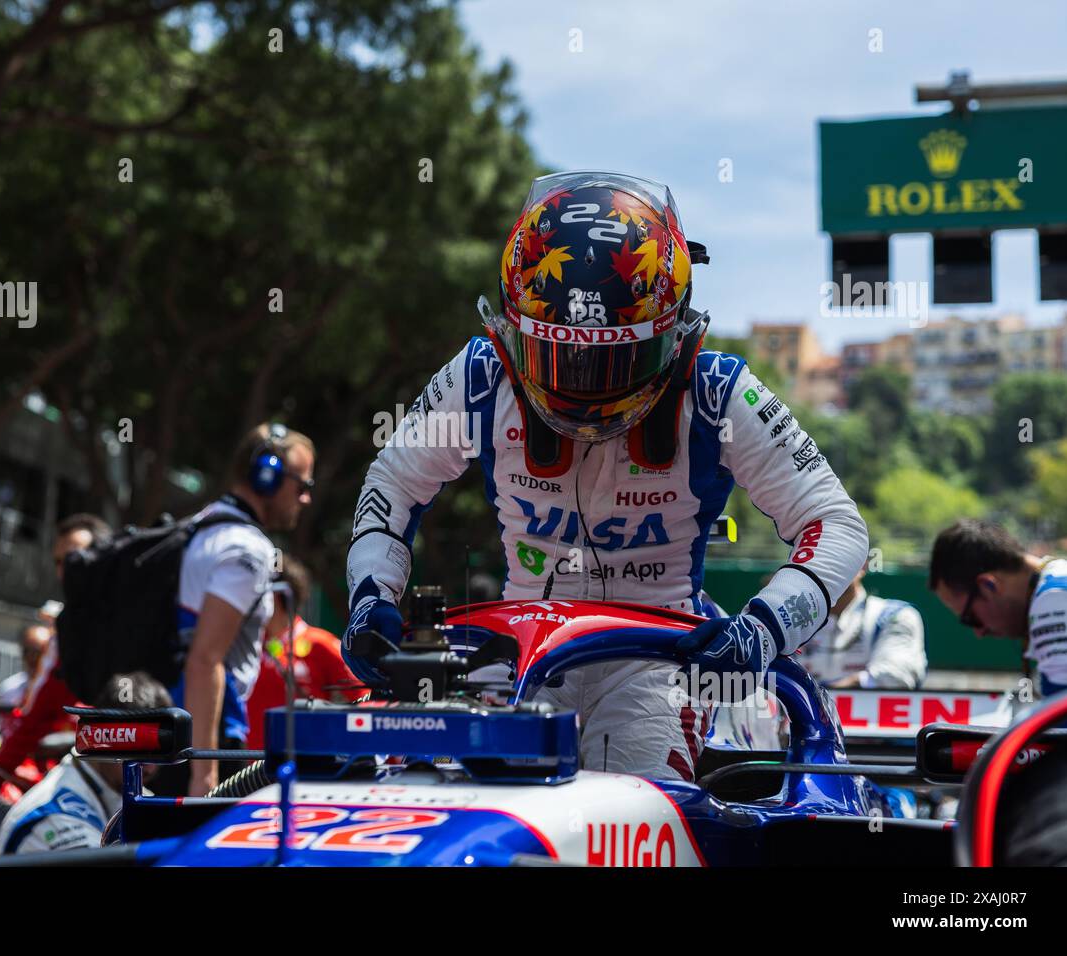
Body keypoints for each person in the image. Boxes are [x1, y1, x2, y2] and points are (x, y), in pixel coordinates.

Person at [343, 171, 868, 781]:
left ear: (672, 331)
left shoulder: (716, 389)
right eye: (563, 352)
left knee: (633, 811)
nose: (586, 382)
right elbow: (393, 483)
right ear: (516, 328)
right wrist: (369, 599)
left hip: (658, 657)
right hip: (517, 647)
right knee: (454, 800)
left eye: (614, 355)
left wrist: (764, 628)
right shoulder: (482, 374)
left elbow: (836, 524)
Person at [179, 423, 315, 794]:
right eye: (301, 486)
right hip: (209, 740)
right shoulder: (247, 549)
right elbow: (205, 659)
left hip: (176, 731)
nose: (305, 500)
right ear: (267, 477)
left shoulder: (202, 525)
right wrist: (203, 773)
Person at [0, 672, 171, 854]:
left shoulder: (130, 792)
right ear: (104, 737)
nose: (150, 766)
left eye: (161, 751)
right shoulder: (57, 817)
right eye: (140, 749)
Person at [0, 515, 111, 783]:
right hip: (91, 777)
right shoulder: (67, 630)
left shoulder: (140, 615)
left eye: (76, 557)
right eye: (59, 561)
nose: (66, 569)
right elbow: (34, 718)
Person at [929, 519, 1067, 698]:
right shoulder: (1063, 580)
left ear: (988, 586)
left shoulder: (1054, 600)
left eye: (970, 618)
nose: (979, 632)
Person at [246, 555, 359, 750]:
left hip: (305, 769)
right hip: (246, 772)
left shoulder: (320, 643)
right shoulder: (246, 645)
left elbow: (364, 698)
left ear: (274, 594)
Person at [798, 570, 927, 689]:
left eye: (839, 558)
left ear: (862, 565)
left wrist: (825, 696)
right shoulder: (790, 624)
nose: (829, 568)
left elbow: (896, 676)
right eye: (819, 560)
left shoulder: (895, 615)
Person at [0, 622, 53, 710]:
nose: (31, 657)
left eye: (38, 652)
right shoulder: (8, 689)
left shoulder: (59, 691)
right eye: (26, 651)